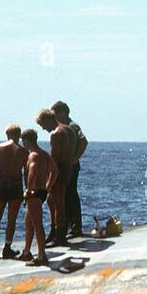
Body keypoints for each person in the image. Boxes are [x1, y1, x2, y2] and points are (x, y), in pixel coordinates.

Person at [0, 124, 27, 259]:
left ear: (7, 135)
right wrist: (27, 189)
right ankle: (7, 248)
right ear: (19, 135)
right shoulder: (23, 151)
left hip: (2, 186)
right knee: (11, 219)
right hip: (16, 186)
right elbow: (26, 173)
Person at [19, 128, 57, 266]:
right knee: (28, 222)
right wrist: (48, 187)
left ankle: (41, 256)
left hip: (34, 193)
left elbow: (32, 173)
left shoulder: (33, 155)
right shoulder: (45, 154)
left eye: (23, 141)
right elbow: (55, 171)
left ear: (27, 141)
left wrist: (28, 190)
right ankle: (26, 251)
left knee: (37, 224)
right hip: (41, 192)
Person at [37, 108, 75, 247]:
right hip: (68, 170)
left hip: (58, 172)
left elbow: (54, 158)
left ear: (48, 120)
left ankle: (60, 236)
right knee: (53, 202)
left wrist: (47, 175)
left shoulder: (55, 134)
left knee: (58, 205)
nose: (43, 129)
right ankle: (56, 232)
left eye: (43, 125)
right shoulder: (69, 130)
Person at [51, 100, 88, 238]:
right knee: (64, 195)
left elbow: (84, 141)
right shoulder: (61, 127)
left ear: (63, 112)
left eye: (55, 114)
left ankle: (75, 226)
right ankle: (65, 226)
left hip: (71, 165)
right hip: (64, 165)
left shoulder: (73, 126)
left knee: (71, 194)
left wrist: (74, 159)